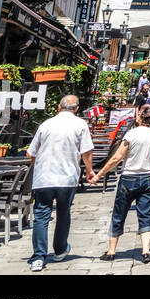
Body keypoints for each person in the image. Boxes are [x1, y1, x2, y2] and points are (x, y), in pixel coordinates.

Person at [25, 95, 96, 272]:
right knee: (63, 213)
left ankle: (39, 257)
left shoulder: (46, 125)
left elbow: (31, 152)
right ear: (77, 108)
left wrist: (38, 166)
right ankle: (60, 249)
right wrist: (89, 171)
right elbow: (86, 151)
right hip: (67, 177)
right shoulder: (80, 124)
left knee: (41, 215)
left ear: (58, 107)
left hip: (44, 178)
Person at [91, 102, 150, 262]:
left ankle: (111, 252)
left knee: (119, 213)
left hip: (129, 178)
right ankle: (145, 251)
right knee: (145, 213)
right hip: (149, 177)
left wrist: (99, 174)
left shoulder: (131, 134)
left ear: (140, 118)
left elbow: (117, 158)